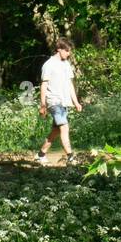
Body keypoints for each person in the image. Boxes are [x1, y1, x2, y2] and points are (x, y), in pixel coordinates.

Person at [36, 37, 82, 165]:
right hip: (54, 102)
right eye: (67, 51)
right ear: (59, 49)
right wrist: (43, 105)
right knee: (64, 127)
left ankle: (41, 154)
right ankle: (70, 157)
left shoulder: (66, 64)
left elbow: (70, 85)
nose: (69, 53)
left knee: (56, 130)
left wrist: (76, 102)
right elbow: (43, 85)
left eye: (70, 51)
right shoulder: (49, 65)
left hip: (64, 102)